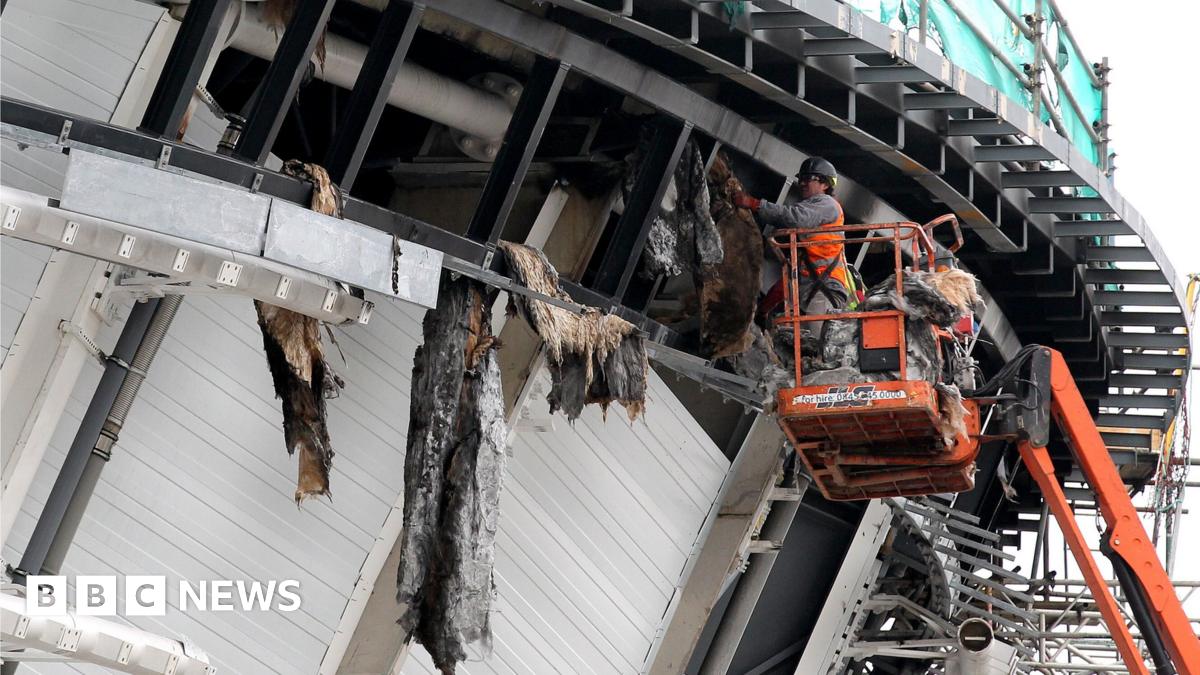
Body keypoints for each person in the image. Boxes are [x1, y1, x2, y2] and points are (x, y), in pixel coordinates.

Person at [733, 156, 850, 334]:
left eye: (808, 179)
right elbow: (788, 283)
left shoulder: (828, 204)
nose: (802, 183)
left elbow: (795, 218)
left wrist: (754, 204)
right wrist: (763, 310)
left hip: (825, 289)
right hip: (814, 285)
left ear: (825, 184)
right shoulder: (807, 246)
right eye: (800, 179)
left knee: (820, 346)